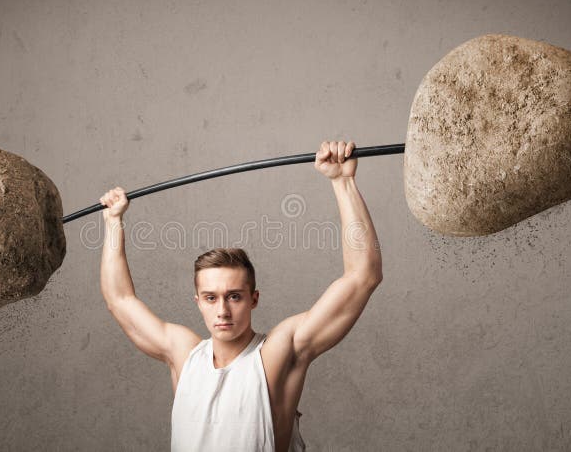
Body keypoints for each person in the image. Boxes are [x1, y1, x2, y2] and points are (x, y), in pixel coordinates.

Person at [99, 141, 383, 452]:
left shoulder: (278, 353)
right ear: (197, 301)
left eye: (234, 296)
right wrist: (113, 223)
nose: (222, 310)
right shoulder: (183, 355)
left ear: (254, 299)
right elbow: (120, 300)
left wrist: (342, 182)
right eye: (210, 298)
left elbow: (362, 276)